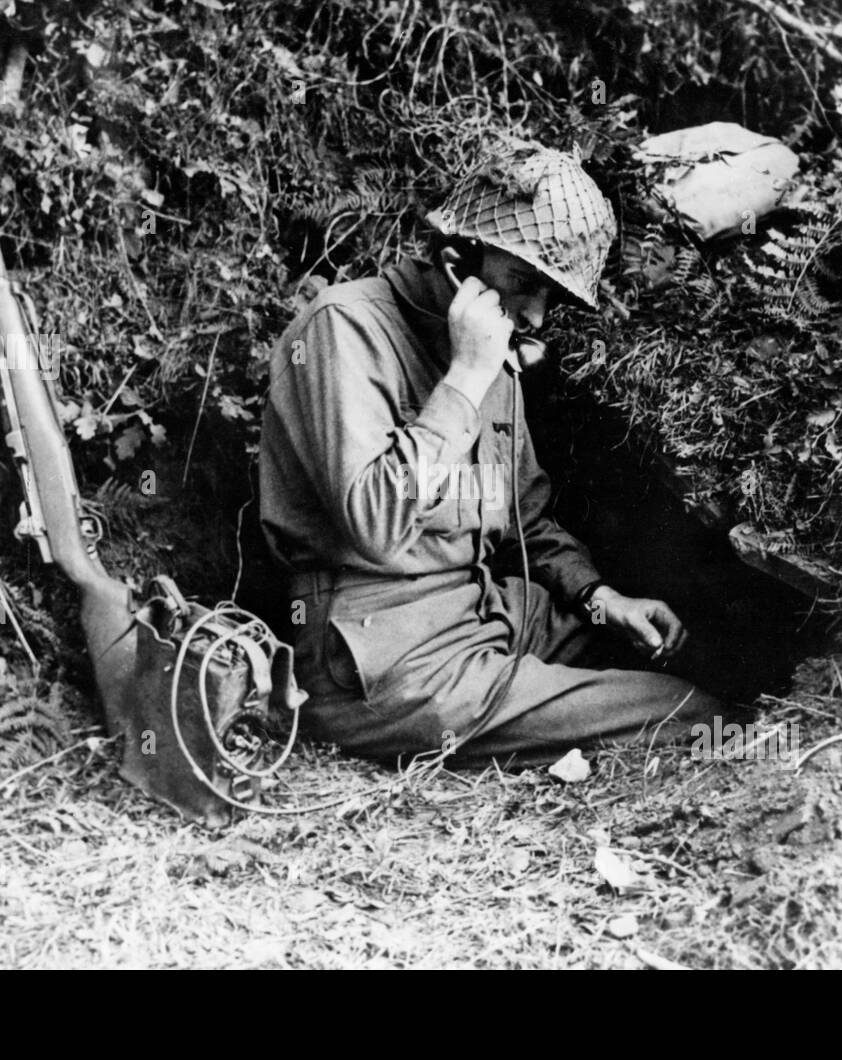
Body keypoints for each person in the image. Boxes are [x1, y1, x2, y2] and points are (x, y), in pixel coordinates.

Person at [259, 142, 719, 764]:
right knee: (690, 712)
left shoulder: (490, 362)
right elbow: (372, 521)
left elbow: (524, 521)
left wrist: (599, 598)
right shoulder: (345, 329)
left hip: (487, 613)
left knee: (698, 653)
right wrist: (465, 380)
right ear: (457, 261)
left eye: (550, 296)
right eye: (523, 283)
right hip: (380, 654)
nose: (533, 315)